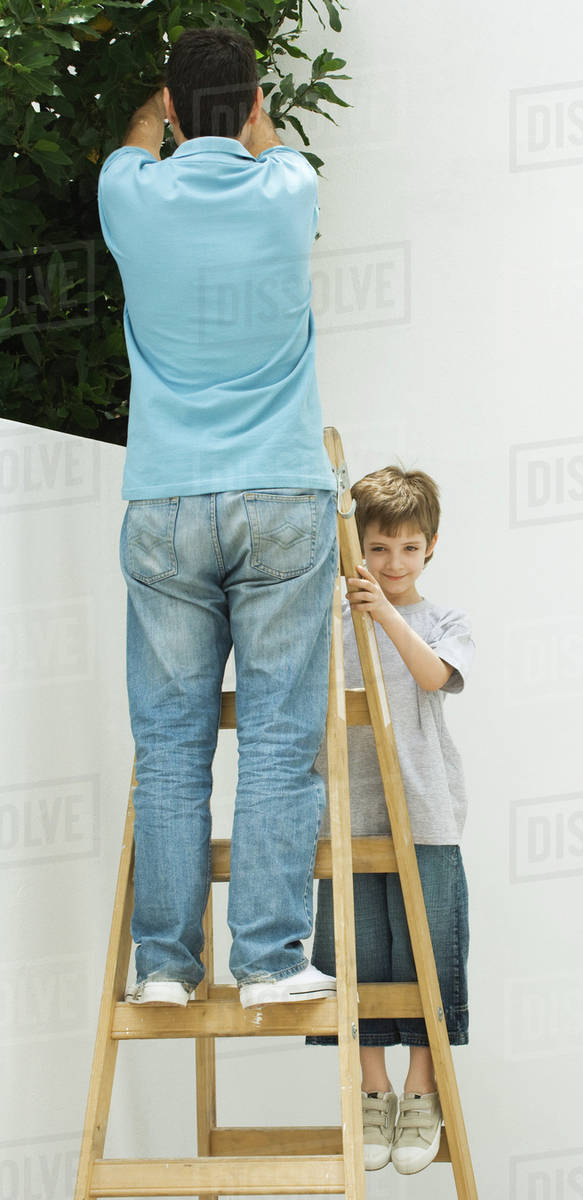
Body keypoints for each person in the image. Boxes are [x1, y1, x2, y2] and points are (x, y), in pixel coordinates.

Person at [97, 27, 339, 1009]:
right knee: (281, 739)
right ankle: (272, 963)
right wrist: (245, 119)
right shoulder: (290, 191)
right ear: (249, 106)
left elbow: (138, 138)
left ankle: (163, 965)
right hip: (281, 497)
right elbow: (271, 145)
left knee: (169, 747)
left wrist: (164, 108)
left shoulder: (130, 195)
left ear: (167, 102)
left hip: (164, 503)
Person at [306, 465, 475, 1175]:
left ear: (430, 547)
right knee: (360, 958)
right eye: (379, 549)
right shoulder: (333, 616)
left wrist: (386, 613)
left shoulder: (441, 621)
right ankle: (371, 1090)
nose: (393, 563)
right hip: (348, 815)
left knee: (426, 959)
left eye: (408, 548)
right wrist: (349, 610)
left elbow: (434, 676)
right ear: (357, 549)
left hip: (423, 815)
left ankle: (421, 1091)